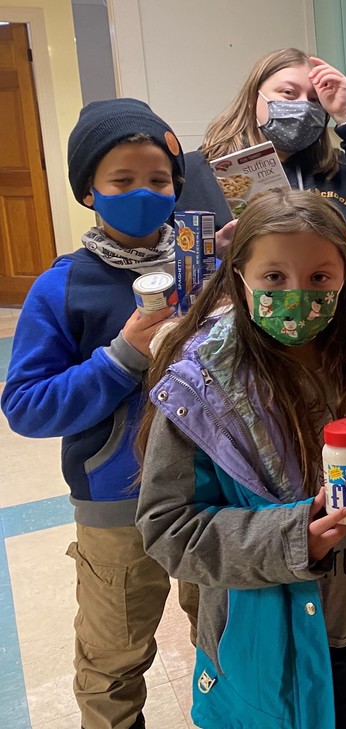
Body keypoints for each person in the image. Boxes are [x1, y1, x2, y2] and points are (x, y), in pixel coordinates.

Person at [134, 189, 346, 729]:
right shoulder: (202, 386)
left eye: (320, 278)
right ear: (241, 280)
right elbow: (169, 528)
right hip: (265, 655)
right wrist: (291, 537)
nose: (297, 296)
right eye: (274, 278)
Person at [0, 98, 184, 729]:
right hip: (117, 504)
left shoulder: (205, 265)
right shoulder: (62, 287)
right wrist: (122, 358)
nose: (143, 193)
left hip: (215, 493)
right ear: (89, 192)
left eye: (158, 181)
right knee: (113, 655)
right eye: (122, 182)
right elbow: (24, 405)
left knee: (228, 631)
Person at [176, 48, 346, 230]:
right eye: (288, 93)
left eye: (314, 99)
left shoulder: (342, 173)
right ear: (253, 99)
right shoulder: (195, 172)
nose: (302, 106)